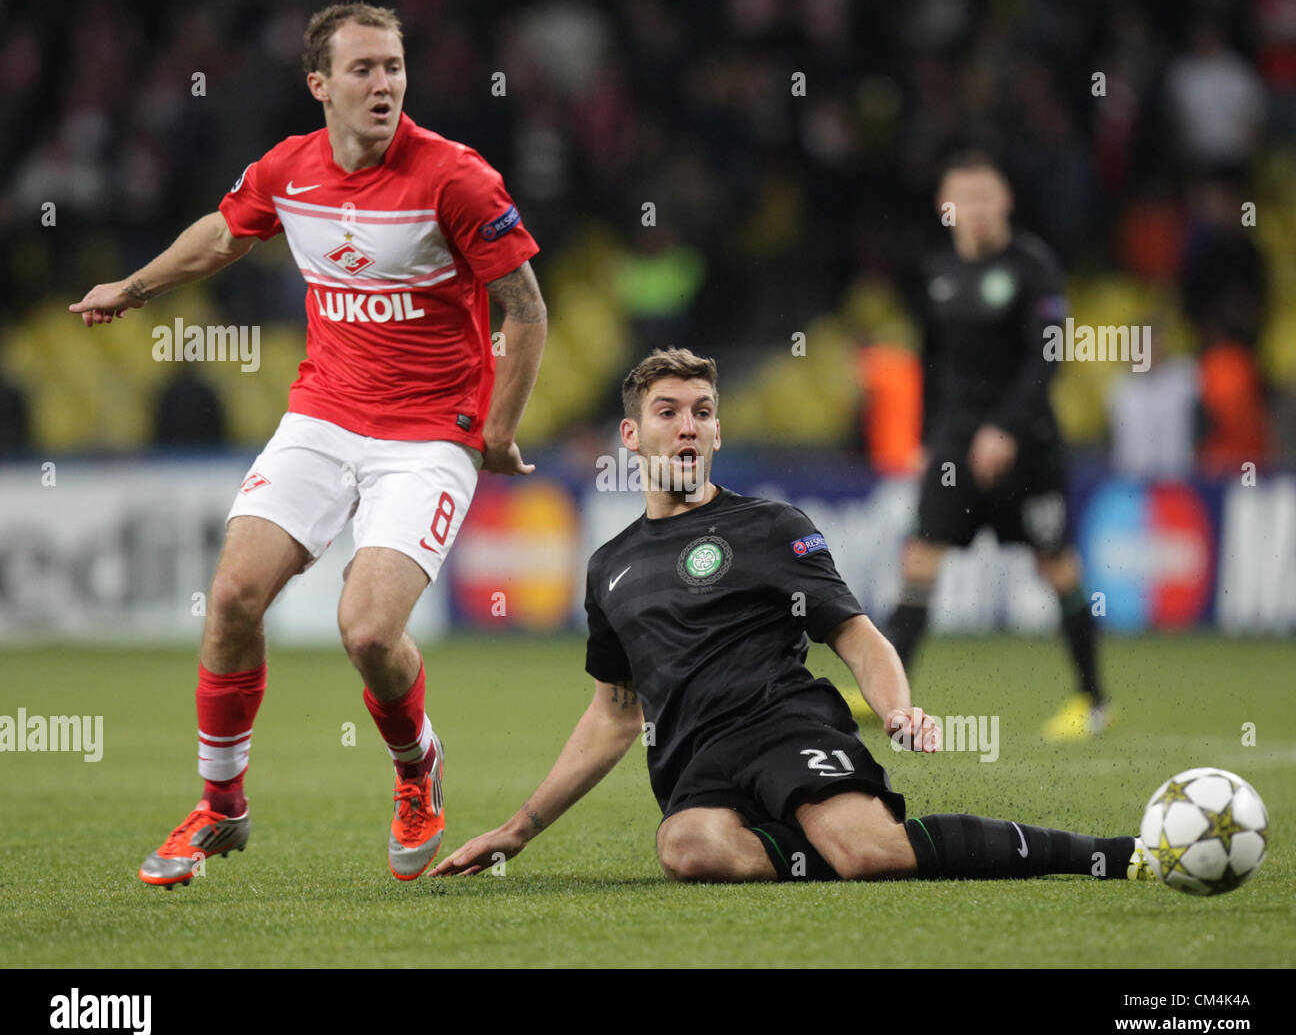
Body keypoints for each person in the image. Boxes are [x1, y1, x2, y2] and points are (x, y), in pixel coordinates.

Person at [68, 3, 546, 886]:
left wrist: (497, 430)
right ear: (320, 85)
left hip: (426, 435)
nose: (385, 85)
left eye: (395, 67)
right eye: (363, 69)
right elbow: (222, 234)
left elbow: (525, 308)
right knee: (233, 595)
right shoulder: (289, 169)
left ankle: (417, 771)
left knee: (366, 630)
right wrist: (133, 286)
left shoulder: (456, 178)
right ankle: (220, 807)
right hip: (324, 416)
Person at [433, 349, 1150, 884]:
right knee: (687, 848)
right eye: (668, 413)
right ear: (632, 436)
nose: (688, 428)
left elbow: (855, 632)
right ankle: (820, 840)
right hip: (694, 763)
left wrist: (898, 709)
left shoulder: (770, 525)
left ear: (717, 432)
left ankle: (1107, 855)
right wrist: (519, 829)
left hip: (783, 728)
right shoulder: (610, 568)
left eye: (703, 413)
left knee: (869, 853)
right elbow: (615, 714)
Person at [885, 149, 1108, 740]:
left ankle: (1093, 700)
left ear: (1004, 201)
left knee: (1055, 565)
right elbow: (931, 366)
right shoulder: (937, 275)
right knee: (918, 562)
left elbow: (1046, 358)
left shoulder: (1035, 268)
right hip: (956, 445)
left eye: (986, 197)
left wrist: (1006, 428)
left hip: (1028, 445)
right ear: (944, 208)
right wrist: (927, 441)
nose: (975, 210)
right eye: (963, 199)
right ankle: (890, 697)